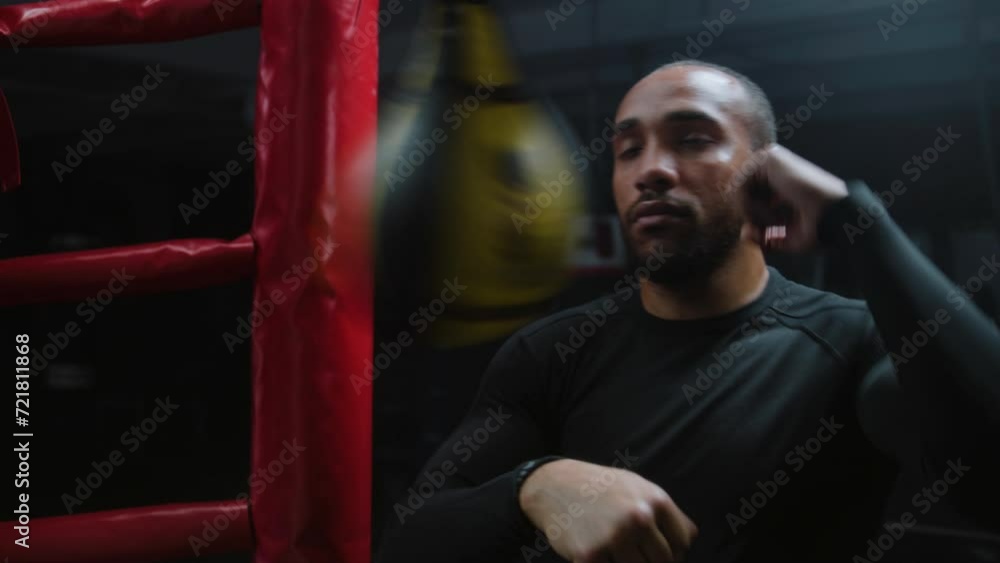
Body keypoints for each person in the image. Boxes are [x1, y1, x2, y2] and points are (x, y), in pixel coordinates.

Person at [373, 60, 1000, 563]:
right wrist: (534, 486)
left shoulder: (852, 340)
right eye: (628, 150)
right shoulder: (553, 352)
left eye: (692, 139)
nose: (651, 171)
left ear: (769, 172)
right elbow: (411, 538)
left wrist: (856, 217)